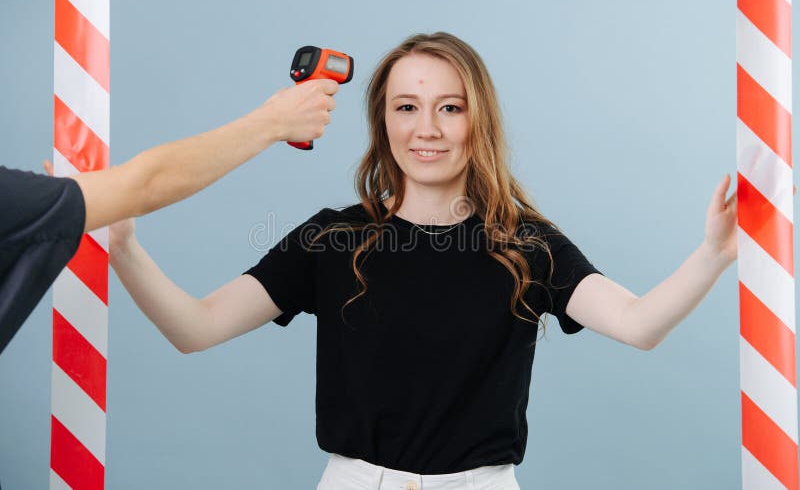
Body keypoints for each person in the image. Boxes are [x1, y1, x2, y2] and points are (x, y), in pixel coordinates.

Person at [109, 33, 736, 489]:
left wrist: (712, 254)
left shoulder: (528, 244)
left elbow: (638, 324)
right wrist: (125, 249)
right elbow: (195, 328)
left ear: (478, 119)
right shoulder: (332, 239)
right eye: (406, 106)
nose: (427, 127)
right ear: (383, 122)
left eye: (450, 107)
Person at [0, 78, 338, 354]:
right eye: (394, 107)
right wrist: (275, 121)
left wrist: (120, 244)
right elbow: (200, 326)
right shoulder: (331, 239)